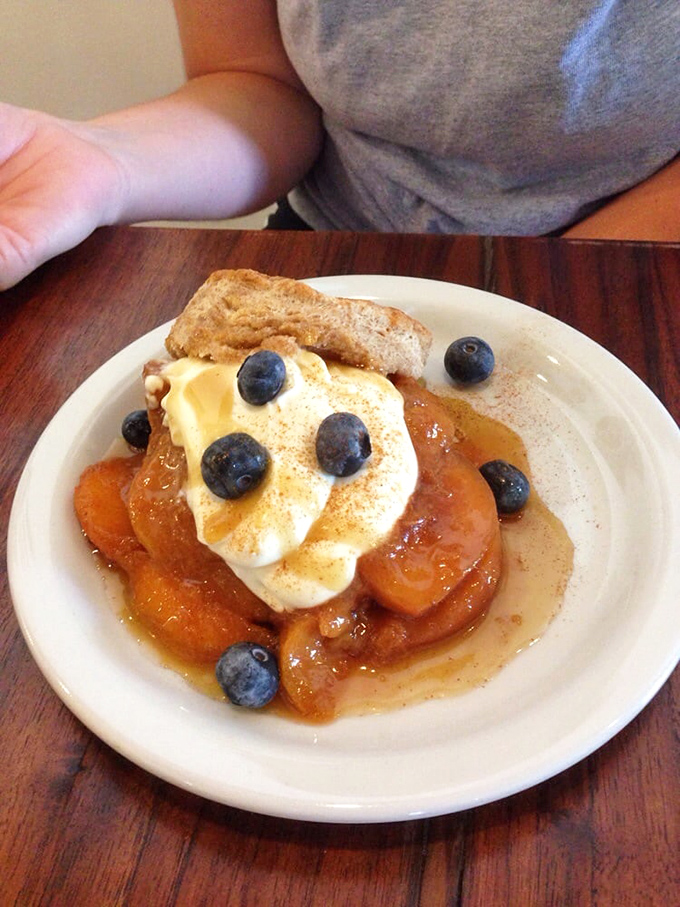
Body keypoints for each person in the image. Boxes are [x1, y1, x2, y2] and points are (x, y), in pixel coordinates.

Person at [1, 0, 679, 291]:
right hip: (336, 243)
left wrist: (532, 292)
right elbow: (257, 84)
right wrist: (105, 161)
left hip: (621, 266)